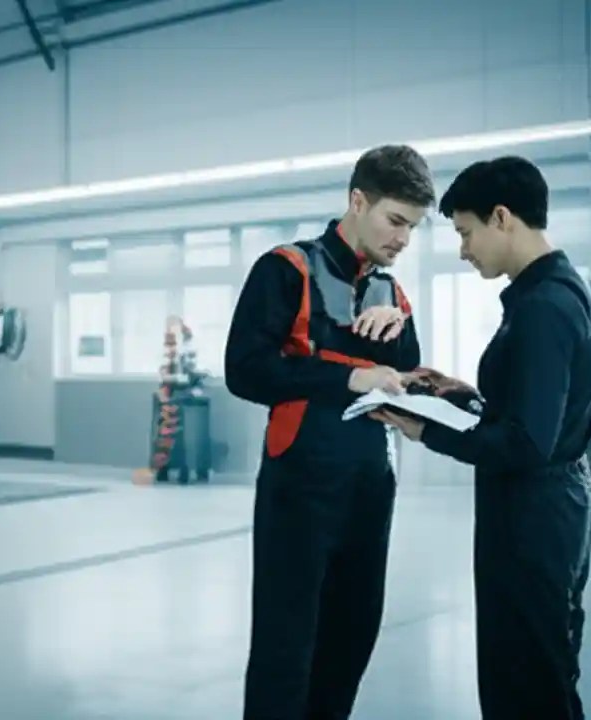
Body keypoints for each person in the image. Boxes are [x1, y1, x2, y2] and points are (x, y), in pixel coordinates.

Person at [372, 156, 591, 720]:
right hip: (556, 501)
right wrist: (464, 396)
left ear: (502, 218)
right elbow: (541, 410)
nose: (463, 249)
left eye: (466, 232)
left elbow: (525, 443)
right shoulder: (570, 288)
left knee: (523, 680)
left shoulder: (542, 309)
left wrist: (426, 429)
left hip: (531, 512)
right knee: (544, 665)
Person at [224, 144, 434, 719]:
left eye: (413, 227)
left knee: (351, 636)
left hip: (370, 487)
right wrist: (350, 377)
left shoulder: (390, 292)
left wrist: (400, 330)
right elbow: (244, 369)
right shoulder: (286, 269)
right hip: (301, 487)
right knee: (286, 645)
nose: (403, 239)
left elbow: (407, 381)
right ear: (357, 201)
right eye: (396, 221)